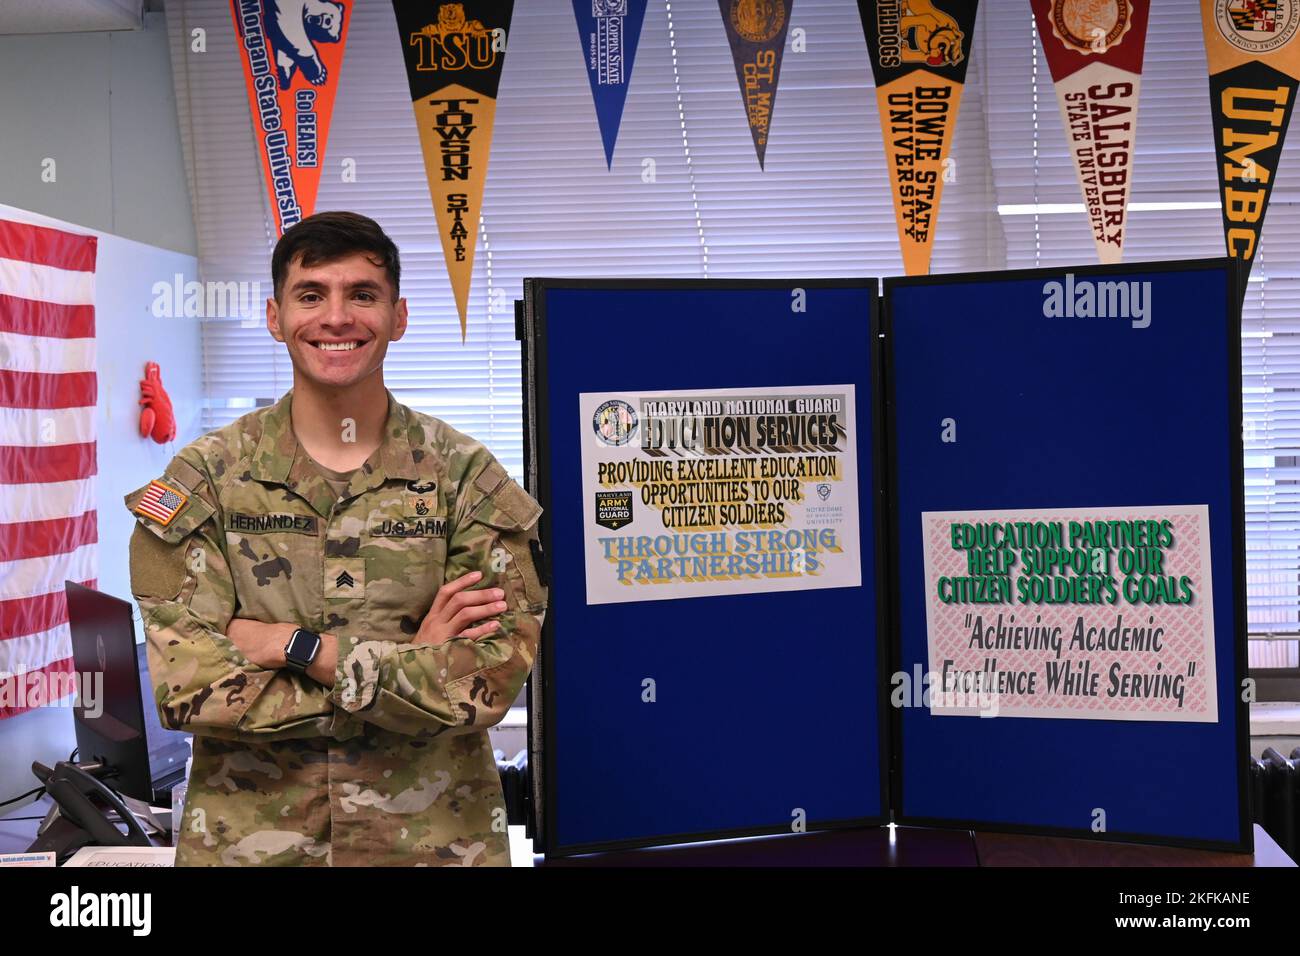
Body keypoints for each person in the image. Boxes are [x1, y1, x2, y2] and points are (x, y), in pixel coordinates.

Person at [123, 211, 546, 866]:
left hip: (433, 846)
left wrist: (290, 646)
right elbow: (190, 689)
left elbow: (485, 684)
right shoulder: (205, 478)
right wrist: (406, 668)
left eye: (363, 295)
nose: (337, 317)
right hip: (249, 850)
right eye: (312, 294)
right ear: (274, 316)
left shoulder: (466, 479)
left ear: (398, 317)